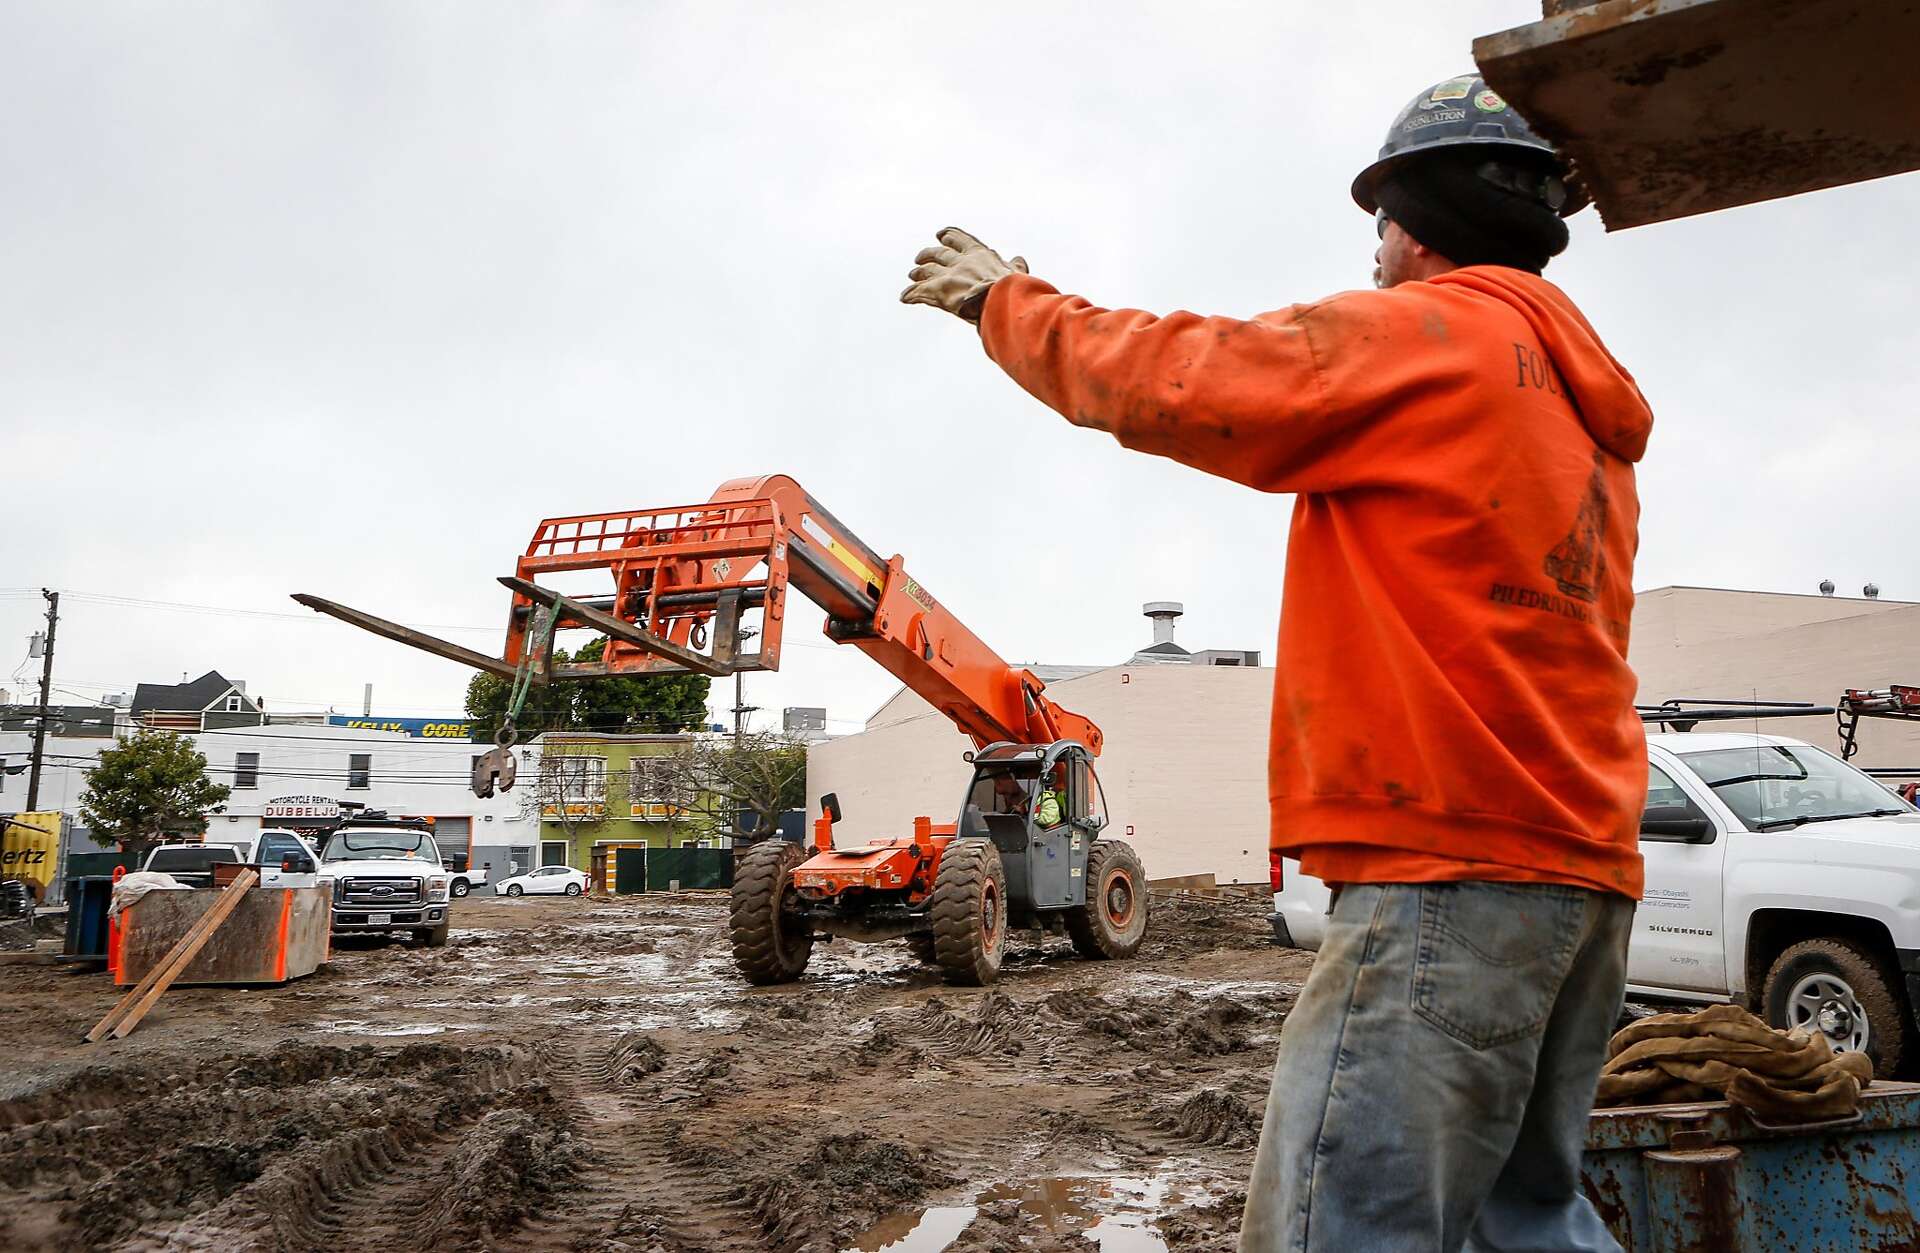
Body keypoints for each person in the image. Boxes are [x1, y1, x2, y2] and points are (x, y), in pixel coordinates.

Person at [902, 73, 1652, 1253]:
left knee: (1341, 1227)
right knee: (1525, 1220)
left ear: (1424, 217)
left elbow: (1179, 377)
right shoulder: (1581, 411)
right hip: (1583, 873)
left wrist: (1007, 302)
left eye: (1382, 227)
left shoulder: (1427, 338)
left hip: (1445, 870)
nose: (1373, 258)